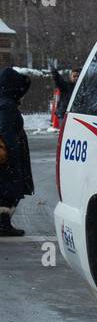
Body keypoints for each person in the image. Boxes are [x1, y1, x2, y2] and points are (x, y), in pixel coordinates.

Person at [0, 67, 35, 237]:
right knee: (8, 191)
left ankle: (3, 224)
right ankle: (3, 225)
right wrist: (14, 157)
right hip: (7, 156)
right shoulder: (7, 105)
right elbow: (6, 131)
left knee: (7, 190)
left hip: (5, 155)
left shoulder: (4, 101)